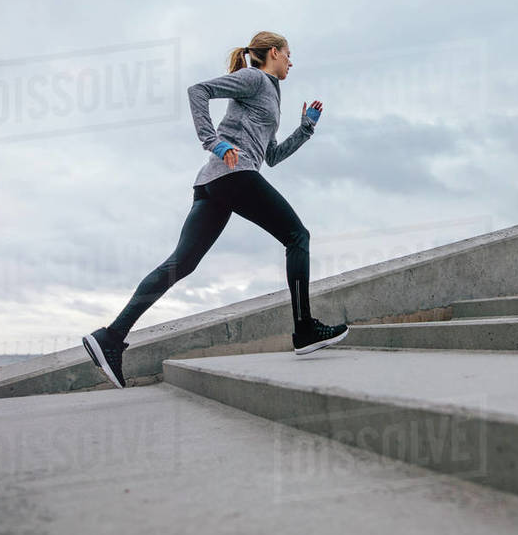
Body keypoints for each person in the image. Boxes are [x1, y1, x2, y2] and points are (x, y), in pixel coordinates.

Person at [82, 31, 349, 388]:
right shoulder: (254, 78)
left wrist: (306, 129)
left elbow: (270, 157)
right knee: (297, 236)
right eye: (288, 54)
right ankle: (304, 329)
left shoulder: (272, 94)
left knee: (181, 264)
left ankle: (111, 337)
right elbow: (198, 91)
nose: (291, 61)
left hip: (215, 183)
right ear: (273, 52)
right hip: (232, 175)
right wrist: (215, 142)